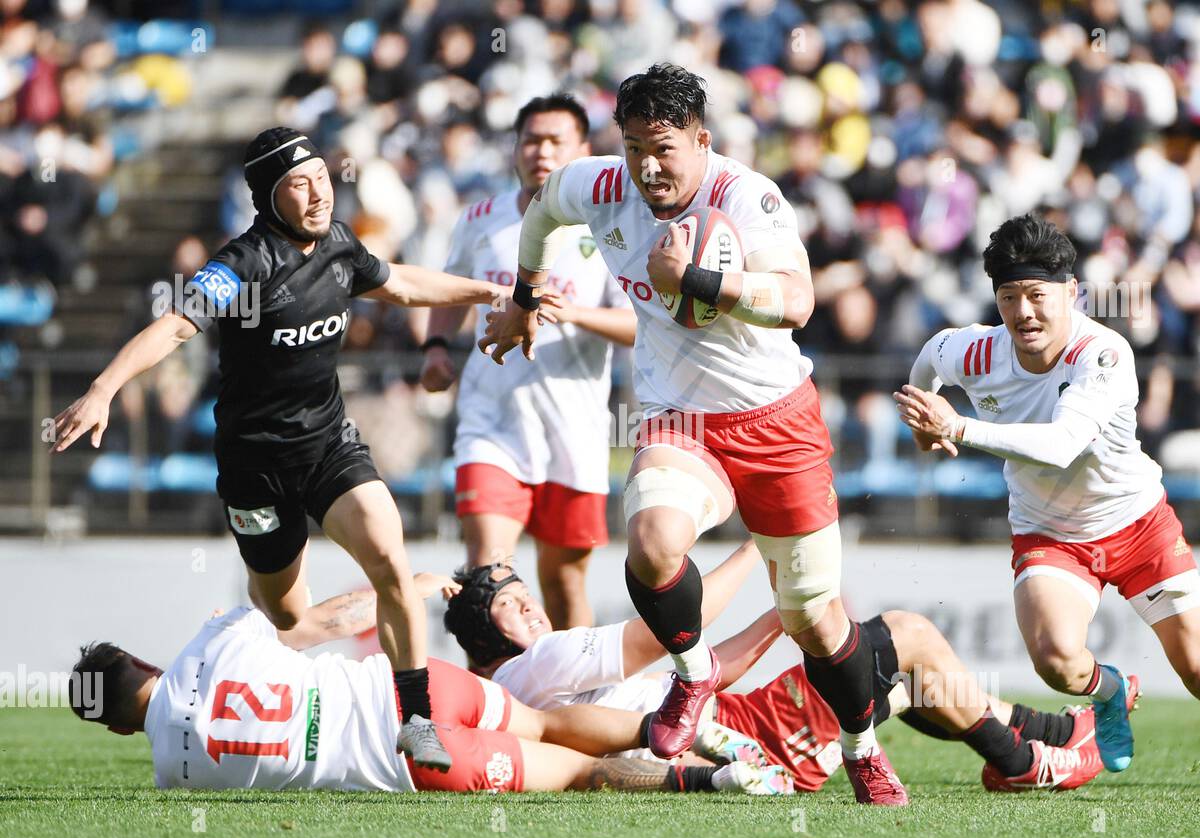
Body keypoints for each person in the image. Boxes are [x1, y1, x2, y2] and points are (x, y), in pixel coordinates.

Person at [477, 64, 895, 804]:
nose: (647, 166)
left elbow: (797, 301)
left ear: (703, 141)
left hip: (776, 420)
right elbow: (542, 210)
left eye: (664, 148)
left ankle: (862, 747)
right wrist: (523, 296)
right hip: (680, 417)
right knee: (653, 539)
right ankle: (694, 674)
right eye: (634, 146)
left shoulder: (747, 197)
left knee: (814, 618)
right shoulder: (599, 185)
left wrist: (701, 280)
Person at [51, 127, 509, 771]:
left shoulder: (342, 247)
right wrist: (103, 388)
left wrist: (489, 291)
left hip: (328, 446)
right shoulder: (243, 264)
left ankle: (415, 717)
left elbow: (400, 284)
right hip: (254, 469)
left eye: (322, 175)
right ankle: (299, 686)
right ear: (270, 197)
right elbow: (175, 326)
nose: (319, 191)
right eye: (300, 183)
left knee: (387, 548)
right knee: (288, 622)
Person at [894, 213, 1200, 804]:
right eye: (1008, 297)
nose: (1023, 312)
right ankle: (1109, 693)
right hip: (1049, 533)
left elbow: (1060, 445)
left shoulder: (1102, 353)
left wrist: (958, 426)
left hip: (1137, 526)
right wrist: (925, 423)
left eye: (1036, 295)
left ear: (1072, 293)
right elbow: (927, 360)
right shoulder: (971, 350)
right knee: (1055, 662)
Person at [444, 543, 1129, 800]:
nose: (528, 603)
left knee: (897, 675)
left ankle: (1046, 731)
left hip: (727, 723)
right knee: (910, 637)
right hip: (749, 739)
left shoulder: (519, 686)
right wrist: (765, 541)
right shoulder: (539, 661)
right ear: (483, 632)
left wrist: (786, 608)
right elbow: (667, 624)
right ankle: (1021, 760)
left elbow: (707, 672)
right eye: (508, 602)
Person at [67, 573, 791, 797]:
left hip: (411, 759)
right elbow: (318, 621)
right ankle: (672, 728)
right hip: (412, 689)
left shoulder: (173, 775)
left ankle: (710, 784)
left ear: (117, 726)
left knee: (578, 775)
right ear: (146, 662)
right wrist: (402, 586)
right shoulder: (216, 635)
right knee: (542, 722)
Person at [420, 94, 635, 628]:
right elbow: (448, 295)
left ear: (583, 151)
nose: (541, 151)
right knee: (486, 583)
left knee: (563, 586)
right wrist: (437, 350)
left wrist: (576, 314)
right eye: (531, 139)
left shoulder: (607, 230)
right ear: (515, 148)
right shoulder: (480, 219)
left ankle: (572, 707)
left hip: (574, 433)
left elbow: (639, 326)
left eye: (555, 141)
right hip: (492, 427)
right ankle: (483, 710)